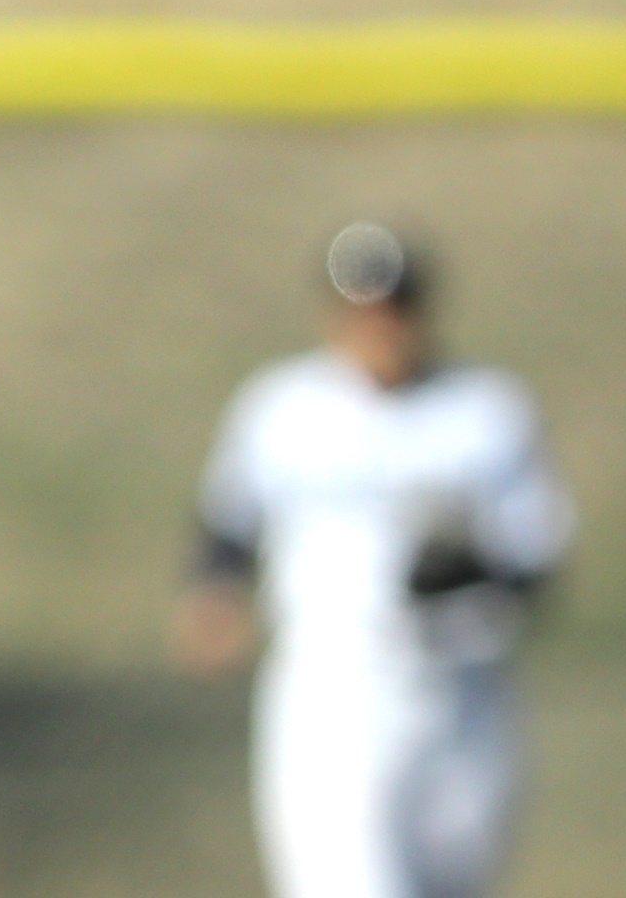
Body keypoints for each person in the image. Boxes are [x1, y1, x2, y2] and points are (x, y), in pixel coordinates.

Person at [175, 223, 575, 898]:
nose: (379, 326)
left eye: (394, 307)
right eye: (361, 308)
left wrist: (474, 569)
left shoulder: (486, 411)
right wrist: (213, 598)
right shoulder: (285, 408)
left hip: (464, 694)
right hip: (337, 692)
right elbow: (227, 523)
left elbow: (539, 557)